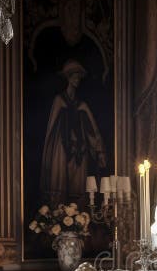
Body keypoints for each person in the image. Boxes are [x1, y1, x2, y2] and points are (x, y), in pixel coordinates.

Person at [40, 59, 107, 205]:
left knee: (78, 187)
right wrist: (49, 156)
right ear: (68, 78)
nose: (77, 80)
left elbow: (92, 130)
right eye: (75, 77)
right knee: (60, 181)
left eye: (79, 77)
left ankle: (78, 216)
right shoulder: (59, 100)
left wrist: (99, 151)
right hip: (61, 149)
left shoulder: (82, 105)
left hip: (79, 150)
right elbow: (51, 130)